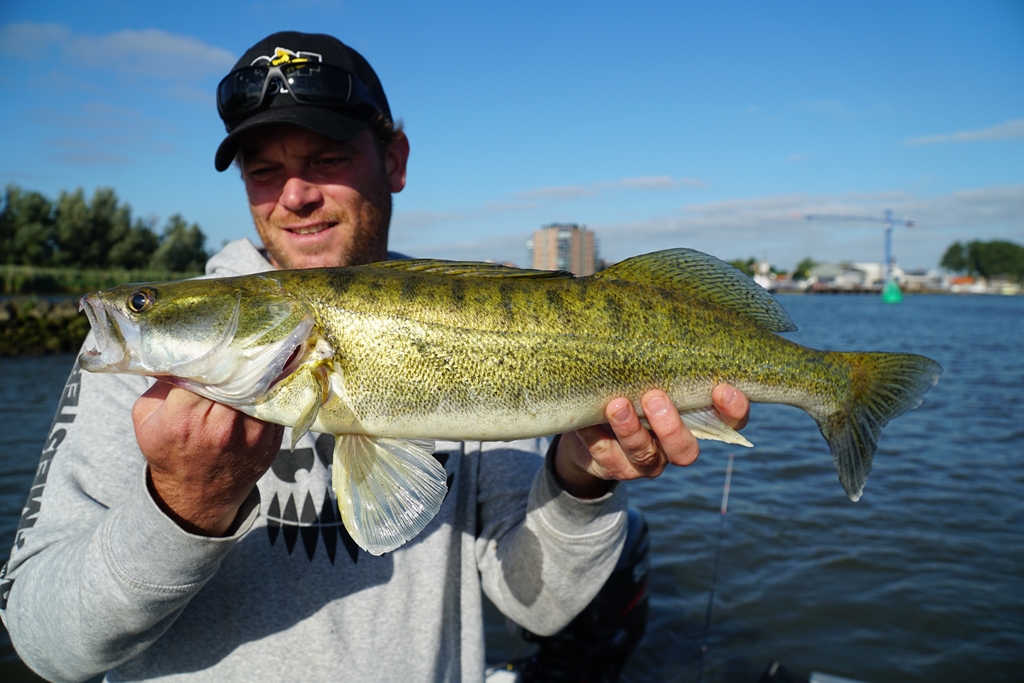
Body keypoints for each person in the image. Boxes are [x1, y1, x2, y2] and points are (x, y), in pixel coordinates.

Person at [0, 32, 749, 682]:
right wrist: (183, 506)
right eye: (262, 171)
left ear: (394, 158)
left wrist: (582, 478)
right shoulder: (144, 377)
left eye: (326, 158)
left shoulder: (464, 324)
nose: (293, 195)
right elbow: (44, 645)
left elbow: (537, 605)